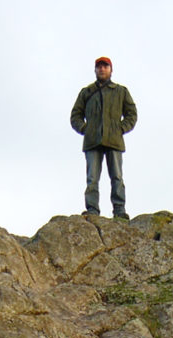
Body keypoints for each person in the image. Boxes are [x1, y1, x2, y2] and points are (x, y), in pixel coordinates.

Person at [70, 56, 137, 219]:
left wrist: (121, 128)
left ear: (111, 70)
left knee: (117, 176)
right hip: (92, 141)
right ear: (95, 70)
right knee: (92, 178)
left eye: (105, 66)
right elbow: (75, 115)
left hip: (114, 141)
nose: (102, 69)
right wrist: (85, 129)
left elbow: (132, 114)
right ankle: (92, 210)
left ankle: (119, 210)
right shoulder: (86, 92)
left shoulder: (121, 91)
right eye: (99, 66)